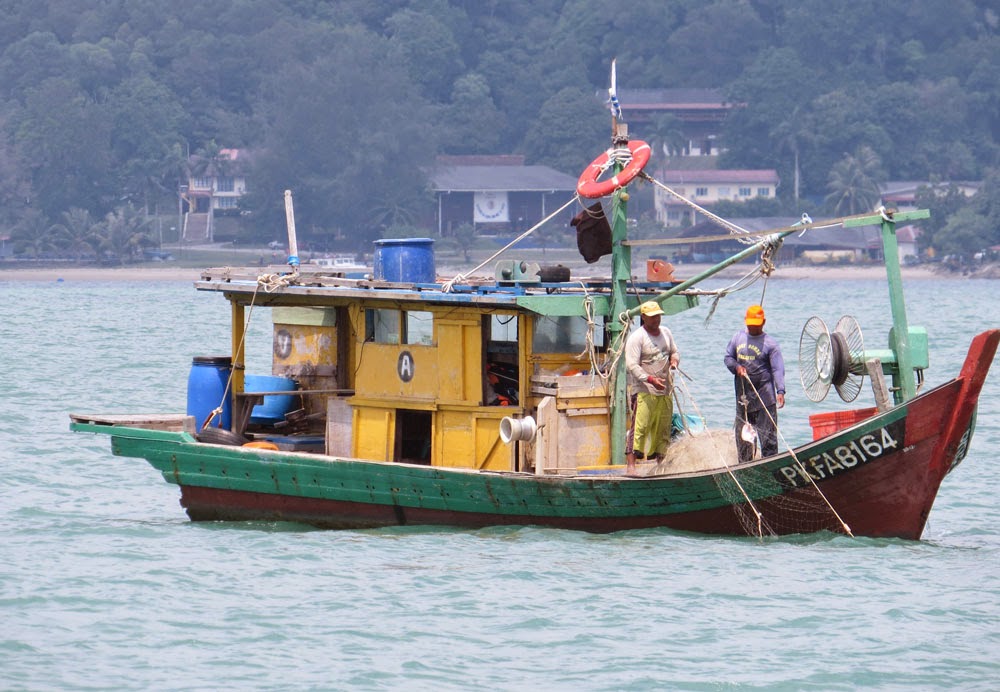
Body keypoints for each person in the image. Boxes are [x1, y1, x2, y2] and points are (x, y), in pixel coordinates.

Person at [724, 304, 786, 462]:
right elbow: (728, 358)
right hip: (744, 398)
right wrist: (737, 367)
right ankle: (745, 467)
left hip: (765, 398)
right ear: (745, 321)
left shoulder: (770, 344)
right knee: (744, 442)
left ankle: (770, 467)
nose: (753, 328)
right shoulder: (737, 338)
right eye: (750, 324)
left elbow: (777, 368)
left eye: (756, 325)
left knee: (769, 441)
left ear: (763, 322)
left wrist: (780, 390)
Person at [625, 301, 680, 472]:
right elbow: (632, 365)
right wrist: (649, 379)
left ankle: (661, 464)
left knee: (663, 428)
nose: (656, 319)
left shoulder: (666, 333)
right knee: (639, 428)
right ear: (643, 317)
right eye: (652, 317)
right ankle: (631, 466)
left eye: (658, 316)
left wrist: (674, 360)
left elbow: (674, 351)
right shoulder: (637, 338)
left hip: (665, 390)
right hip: (644, 391)